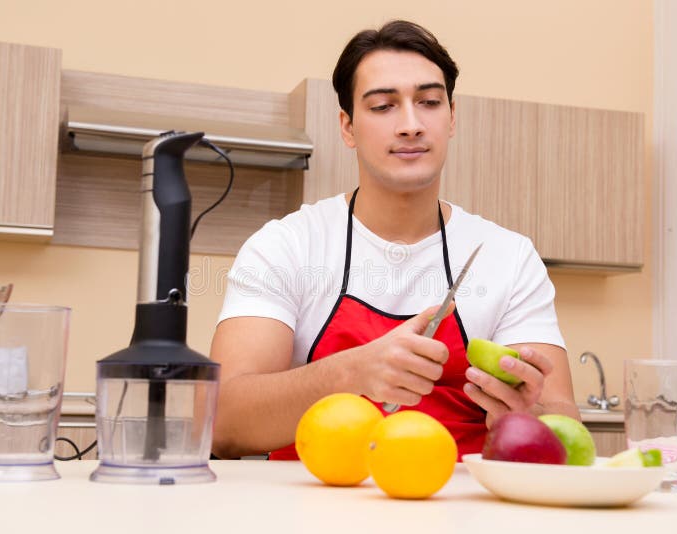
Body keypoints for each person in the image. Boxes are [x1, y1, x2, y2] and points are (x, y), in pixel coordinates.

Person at [210, 20, 579, 460]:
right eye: (383, 106)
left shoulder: (509, 257)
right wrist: (352, 370)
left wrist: (521, 417)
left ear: (452, 117)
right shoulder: (286, 246)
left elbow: (564, 422)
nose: (410, 124)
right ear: (347, 127)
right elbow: (222, 423)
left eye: (428, 102)